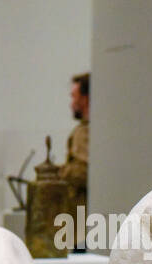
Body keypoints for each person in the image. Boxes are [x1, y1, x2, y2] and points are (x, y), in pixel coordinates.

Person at [62, 73, 90, 228]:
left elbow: (83, 171)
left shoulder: (84, 132)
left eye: (74, 97)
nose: (72, 103)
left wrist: (59, 172)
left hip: (83, 220)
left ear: (85, 99)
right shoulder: (87, 130)